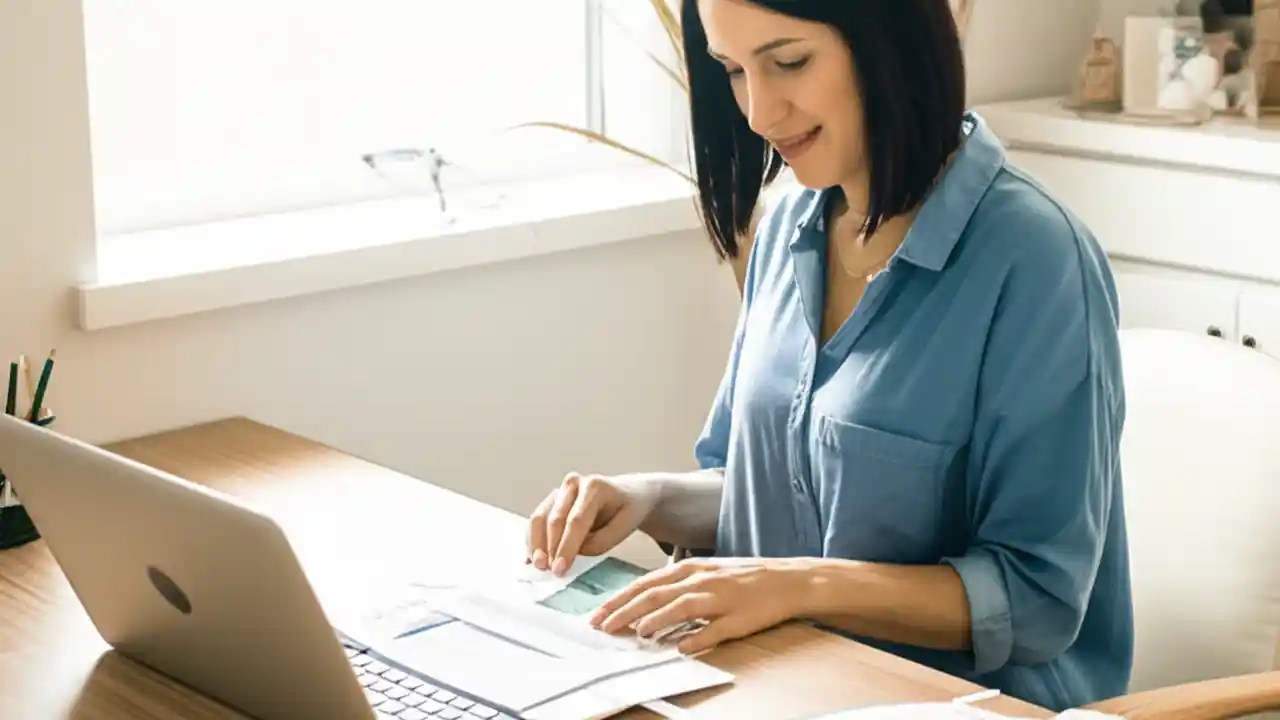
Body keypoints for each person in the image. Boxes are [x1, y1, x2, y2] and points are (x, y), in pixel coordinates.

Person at [525, 0, 1133, 711]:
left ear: (889, 37)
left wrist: (795, 586)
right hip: (788, 684)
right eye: (733, 71)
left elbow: (1037, 598)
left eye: (789, 62)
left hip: (966, 704)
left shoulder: (1034, 259)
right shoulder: (788, 228)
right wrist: (652, 499)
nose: (757, 112)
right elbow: (780, 490)